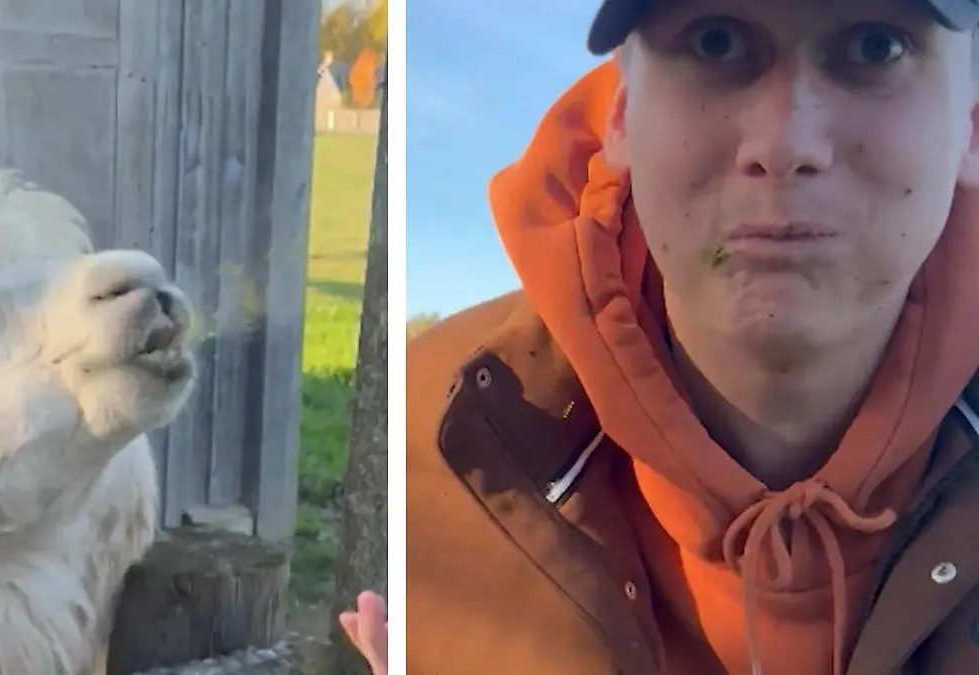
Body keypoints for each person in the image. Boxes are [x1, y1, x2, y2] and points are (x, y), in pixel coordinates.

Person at [397, 0, 979, 673]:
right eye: (716, 41)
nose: (785, 144)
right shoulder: (433, 439)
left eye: (876, 47)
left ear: (970, 123)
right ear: (620, 113)